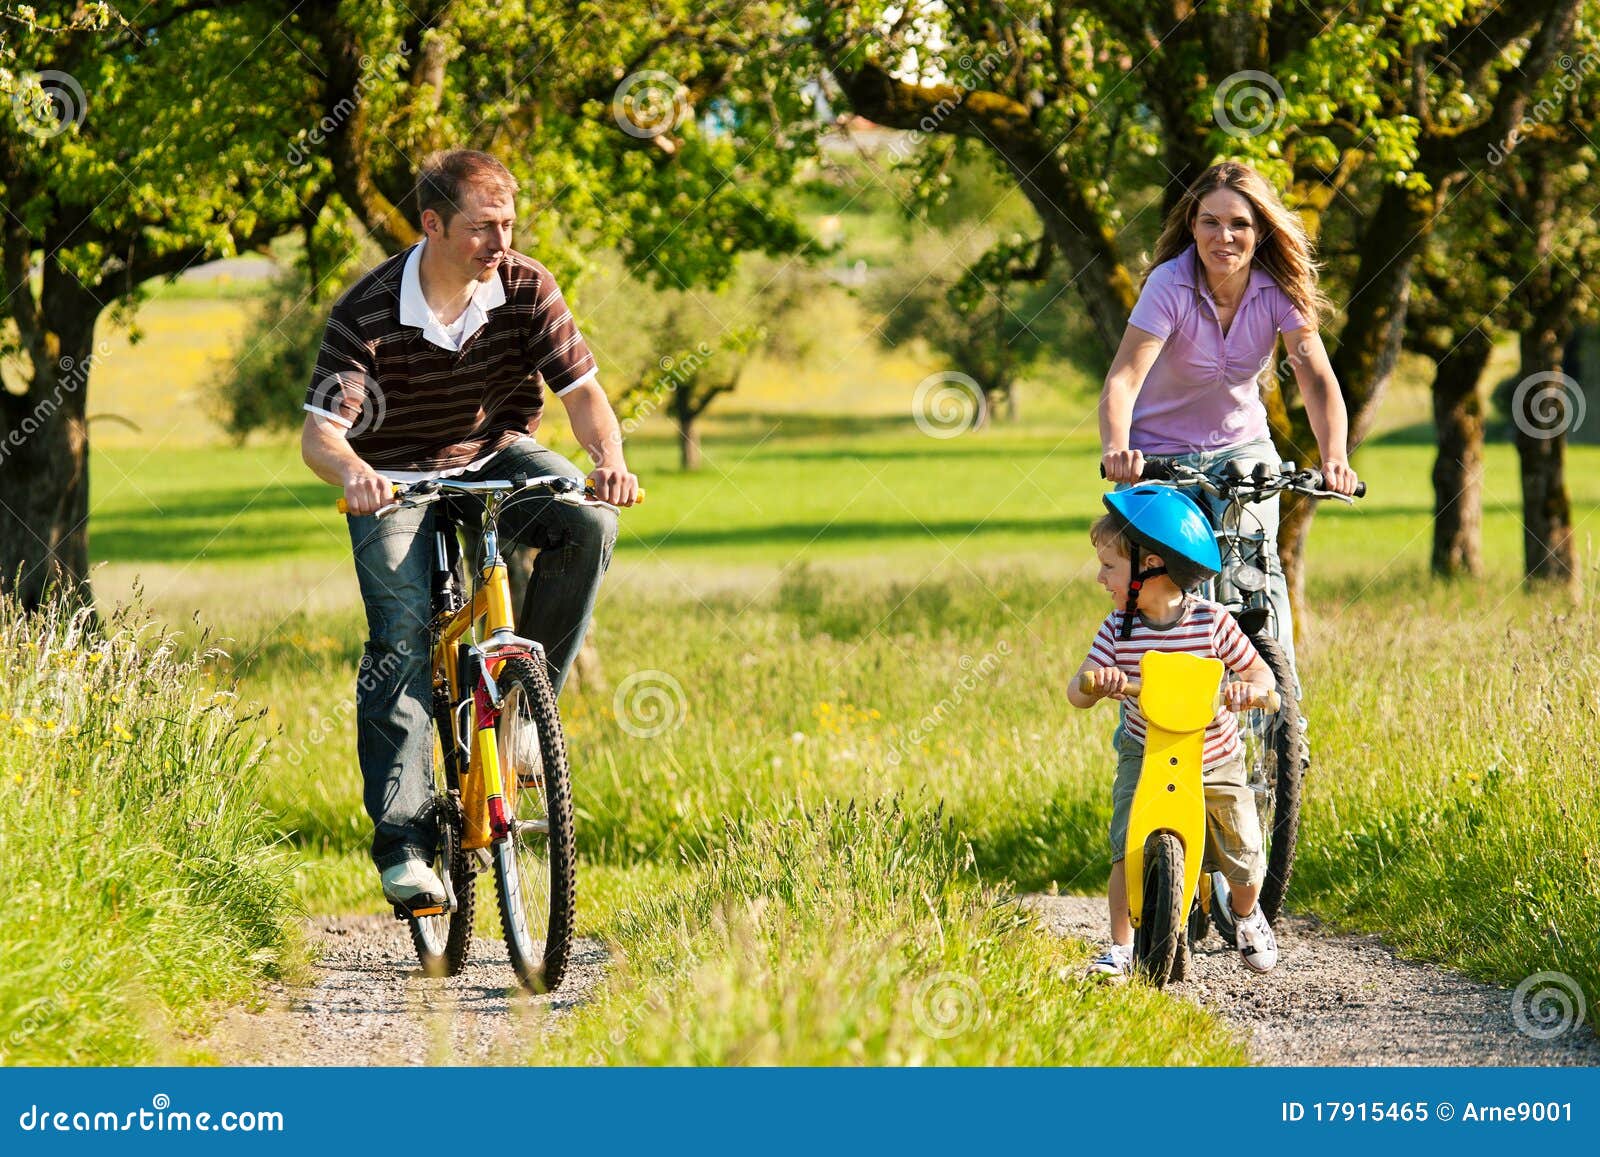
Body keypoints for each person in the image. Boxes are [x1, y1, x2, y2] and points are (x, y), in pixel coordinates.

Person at [300, 149, 640, 914]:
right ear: (432, 224)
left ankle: (523, 712)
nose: (500, 243)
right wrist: (353, 470)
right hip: (396, 477)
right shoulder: (368, 308)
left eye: (509, 225)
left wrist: (609, 459)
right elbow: (321, 435)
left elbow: (583, 393)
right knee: (401, 635)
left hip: (496, 454)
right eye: (483, 228)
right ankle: (407, 849)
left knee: (587, 523)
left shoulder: (525, 285)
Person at [1099, 160, 1359, 693]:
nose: (1225, 236)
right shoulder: (1169, 286)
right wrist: (1117, 448)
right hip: (1158, 458)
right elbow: (1124, 379)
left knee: (1261, 577)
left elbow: (1314, 380)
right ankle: (1142, 731)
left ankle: (1282, 711)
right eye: (1210, 222)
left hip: (1241, 448)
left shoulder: (1278, 291)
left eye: (1239, 223)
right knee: (1159, 593)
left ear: (1259, 231)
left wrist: (1335, 456)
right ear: (1192, 227)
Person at [1068, 485, 1279, 979]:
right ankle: (1121, 946)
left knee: (1244, 855)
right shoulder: (1118, 628)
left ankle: (1247, 916)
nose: (1100, 577)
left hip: (1215, 756)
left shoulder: (1212, 623)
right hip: (1145, 754)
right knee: (1128, 848)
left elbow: (1260, 676)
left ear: (1152, 567)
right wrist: (1098, 684)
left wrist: (1247, 690)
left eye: (1109, 567)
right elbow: (1077, 690)